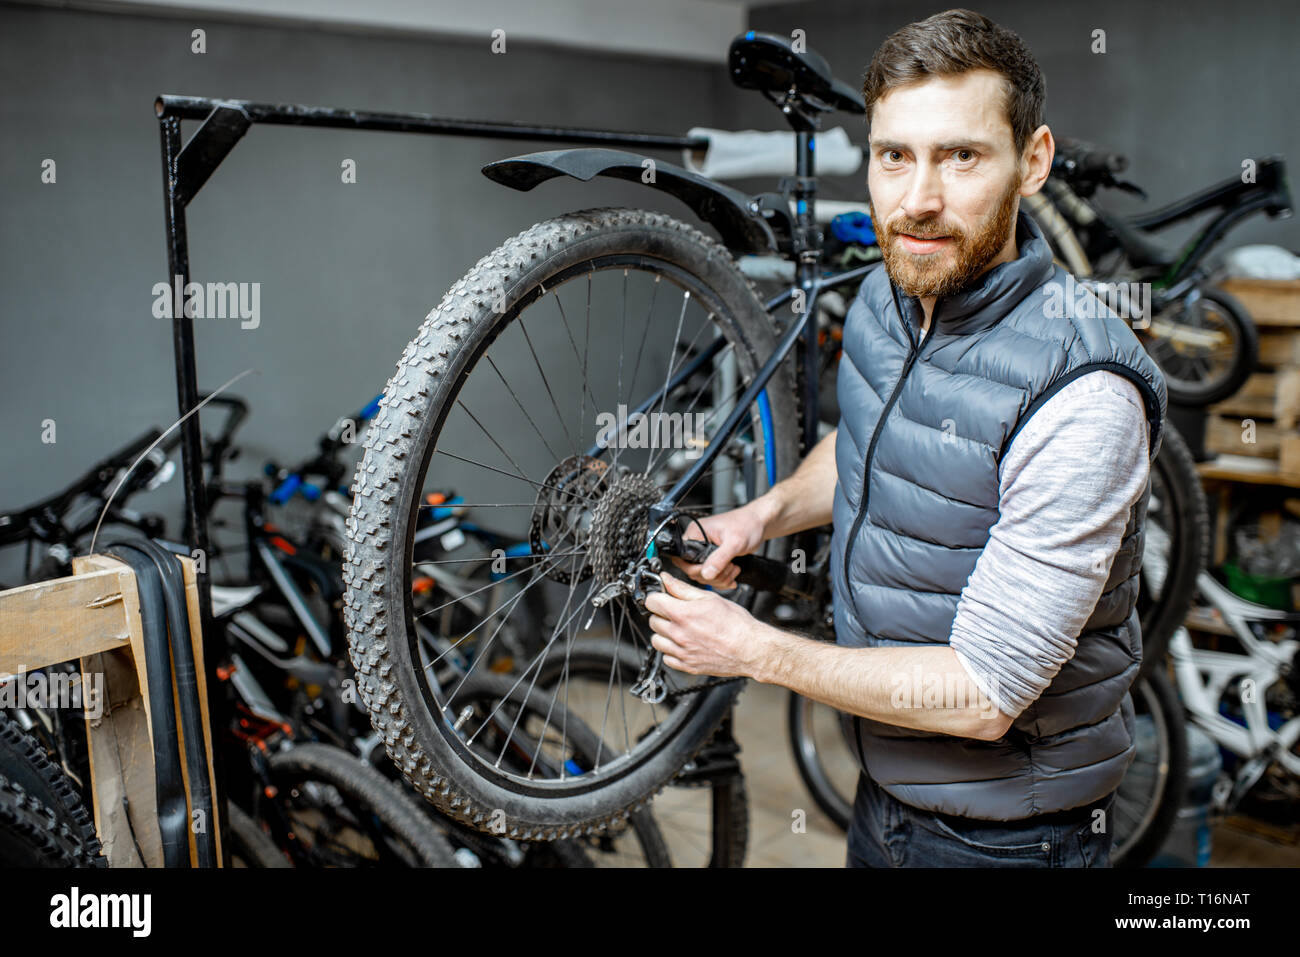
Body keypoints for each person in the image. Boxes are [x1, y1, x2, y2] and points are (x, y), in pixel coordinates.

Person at [642, 8, 1167, 867]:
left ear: (1031, 162)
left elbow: (986, 692)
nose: (918, 199)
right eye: (896, 156)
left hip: (1010, 837)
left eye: (961, 156)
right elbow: (870, 443)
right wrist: (762, 516)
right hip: (886, 792)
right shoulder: (893, 302)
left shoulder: (1085, 392)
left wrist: (755, 651)